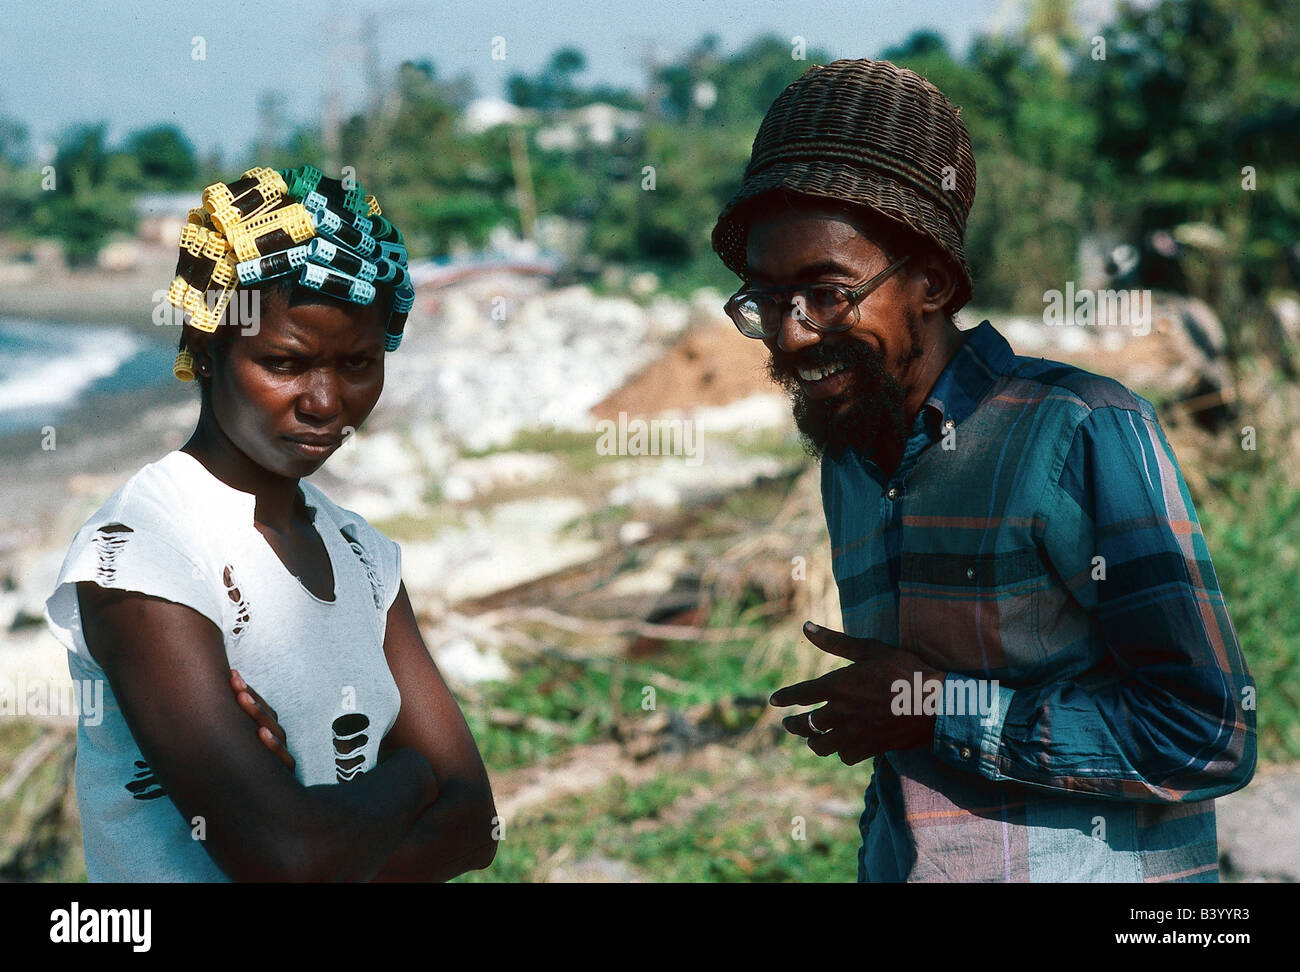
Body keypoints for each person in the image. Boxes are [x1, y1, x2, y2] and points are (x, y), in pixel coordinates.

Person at [711, 60, 1256, 882]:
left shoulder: (1077, 429)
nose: (789, 337)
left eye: (827, 293)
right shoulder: (853, 461)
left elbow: (1211, 732)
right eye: (766, 299)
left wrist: (934, 707)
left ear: (931, 281)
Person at [44, 165, 497, 882]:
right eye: (285, 363)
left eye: (358, 363)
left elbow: (475, 824)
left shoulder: (361, 554)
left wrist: (320, 825)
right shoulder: (144, 553)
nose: (325, 402)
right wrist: (413, 774)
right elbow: (287, 859)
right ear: (207, 349)